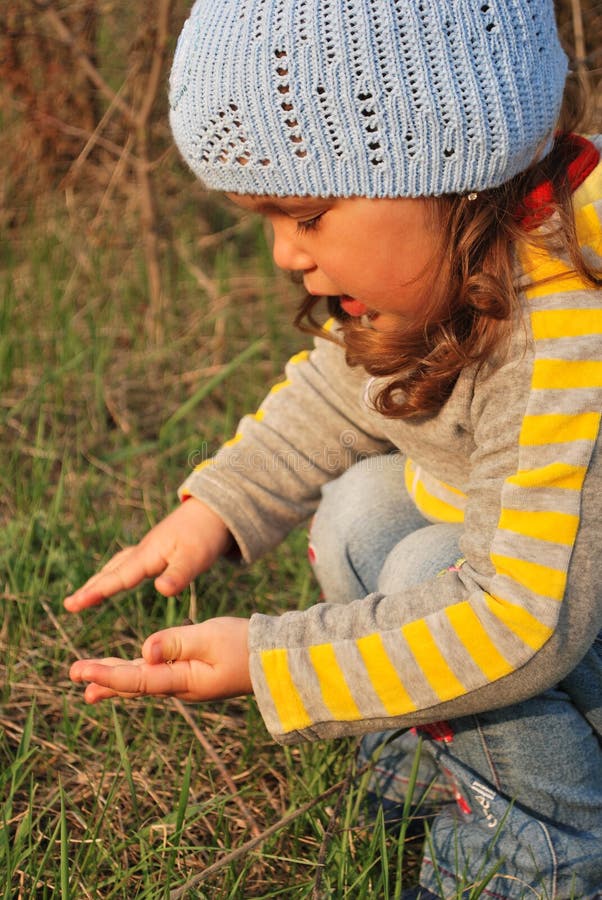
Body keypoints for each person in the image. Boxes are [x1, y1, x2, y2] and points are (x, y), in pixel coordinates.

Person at [66, 1, 602, 896]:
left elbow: (523, 621)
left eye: (306, 213)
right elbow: (337, 388)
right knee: (360, 507)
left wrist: (281, 663)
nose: (284, 254)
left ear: (451, 167)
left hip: (554, 617)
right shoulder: (453, 255)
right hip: (555, 596)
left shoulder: (563, 328)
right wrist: (217, 505)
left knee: (431, 565)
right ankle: (442, 754)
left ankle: (543, 851)